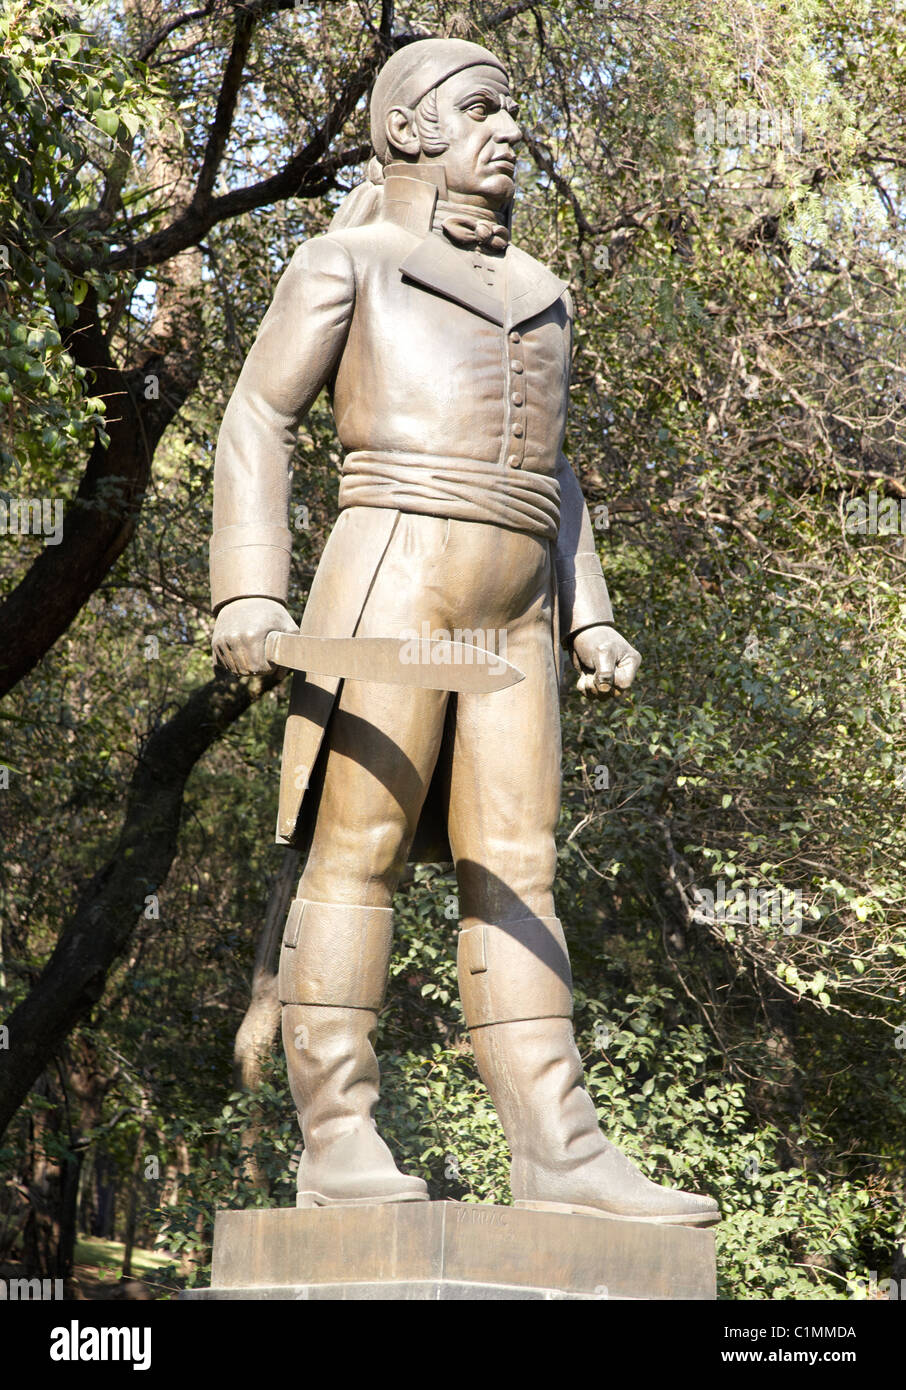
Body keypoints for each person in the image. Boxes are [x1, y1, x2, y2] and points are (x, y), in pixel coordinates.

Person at [210, 37, 718, 1226]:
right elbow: (256, 415)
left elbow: (560, 469)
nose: (509, 131)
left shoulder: (547, 295)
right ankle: (337, 1136)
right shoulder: (346, 261)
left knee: (521, 867)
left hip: (516, 612)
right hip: (393, 578)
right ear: (408, 128)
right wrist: (246, 586)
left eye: (512, 110)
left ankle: (560, 1147)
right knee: (359, 852)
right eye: (478, 107)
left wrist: (591, 613)